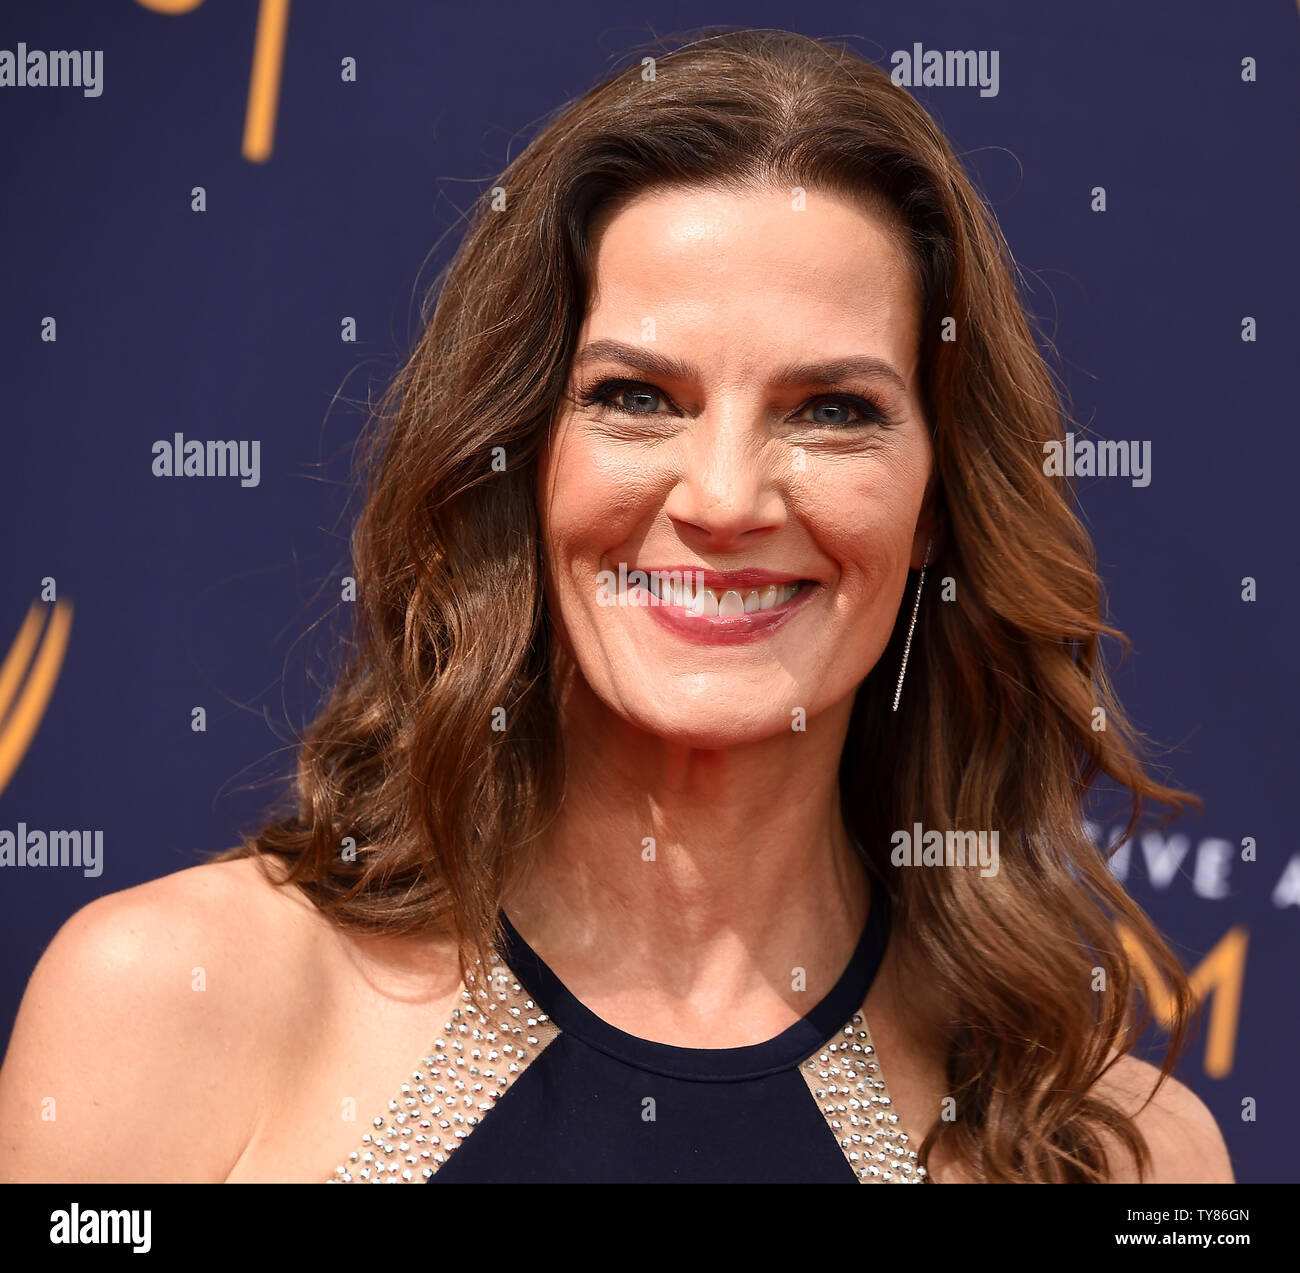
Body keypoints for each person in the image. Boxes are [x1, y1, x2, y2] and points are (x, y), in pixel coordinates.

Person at [0, 27, 1232, 1184]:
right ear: (516, 459)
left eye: (833, 410)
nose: (725, 497)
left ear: (934, 514)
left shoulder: (1124, 1153)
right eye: (637, 396)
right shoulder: (172, 999)